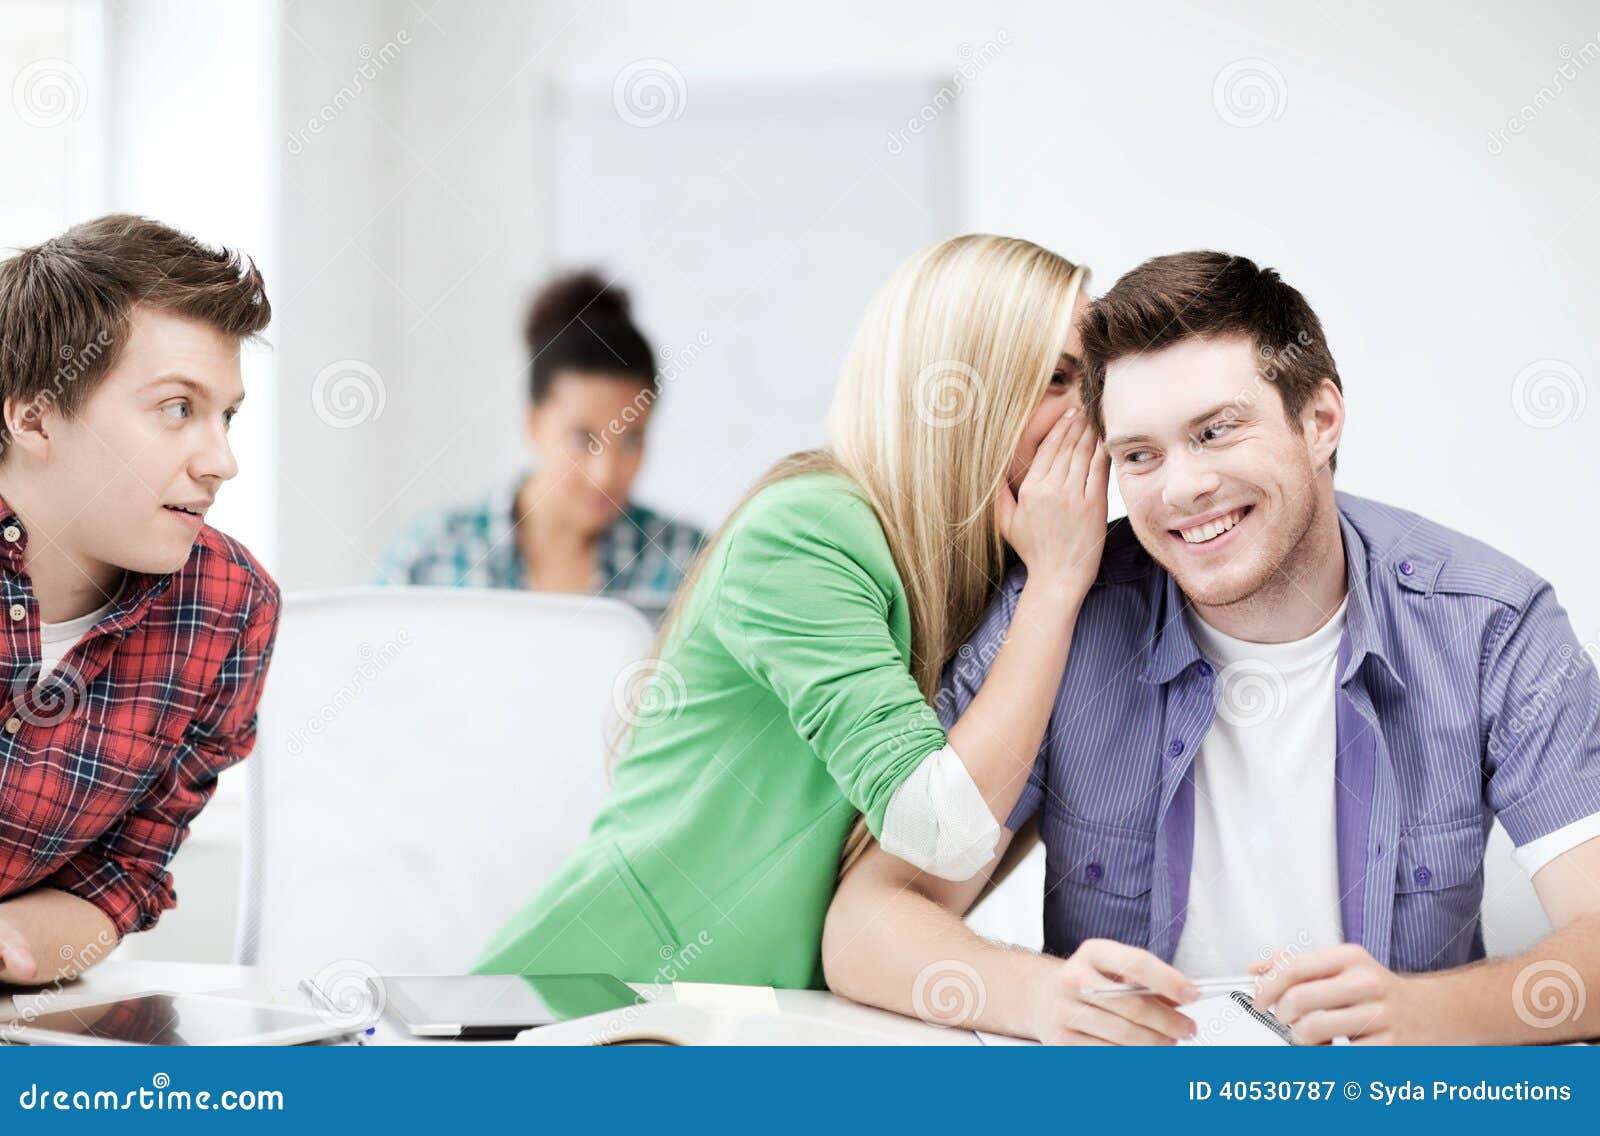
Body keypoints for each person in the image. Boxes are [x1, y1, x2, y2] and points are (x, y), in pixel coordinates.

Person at [824, 251, 1600, 1045]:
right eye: (1140, 455)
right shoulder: (1060, 616)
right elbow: (866, 923)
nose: (1182, 488)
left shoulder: (1490, 625)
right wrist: (1042, 998)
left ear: (1319, 421)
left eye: (1215, 431)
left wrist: (1421, 1015)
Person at [475, 234, 1109, 987]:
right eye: (1059, 378)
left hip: (754, 1017)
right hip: (585, 1003)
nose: (1095, 416)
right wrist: (1057, 585)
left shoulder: (995, 576)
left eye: (1096, 382)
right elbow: (941, 831)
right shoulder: (806, 532)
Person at [0, 215, 280, 985]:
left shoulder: (231, 609)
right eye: (177, 408)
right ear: (34, 416)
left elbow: (122, 878)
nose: (221, 461)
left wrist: (13, 944)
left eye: (227, 416)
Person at [376, 271, 705, 617]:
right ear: (533, 424)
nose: (605, 473)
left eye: (631, 440)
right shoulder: (430, 553)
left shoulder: (687, 563)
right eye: (583, 439)